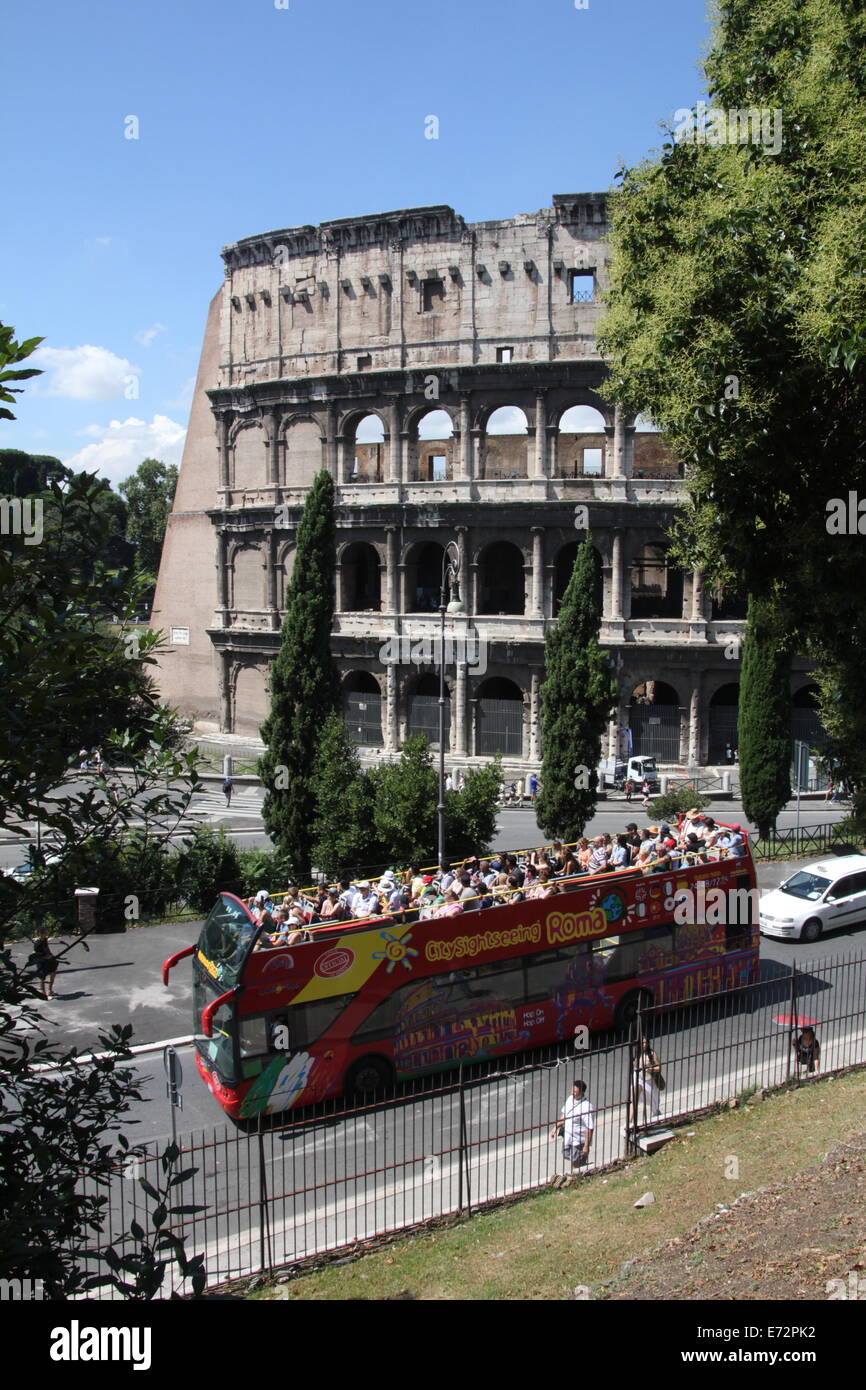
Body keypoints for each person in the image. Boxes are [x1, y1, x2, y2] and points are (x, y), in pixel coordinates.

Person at [550, 1076, 594, 1169]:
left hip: (578, 1141)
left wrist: (586, 1146)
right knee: (567, 1155)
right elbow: (564, 1114)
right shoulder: (570, 1099)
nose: (572, 1093)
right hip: (568, 1137)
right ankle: (581, 1166)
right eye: (572, 1091)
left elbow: (590, 1128)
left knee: (576, 1164)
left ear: (581, 1092)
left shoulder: (586, 1107)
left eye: (575, 1092)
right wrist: (556, 1127)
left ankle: (578, 1173)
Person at [633, 1037, 663, 1121]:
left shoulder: (652, 1054)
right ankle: (639, 1121)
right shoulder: (637, 1054)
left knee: (653, 1099)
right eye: (642, 1043)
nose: (644, 1045)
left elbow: (659, 1068)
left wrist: (650, 1069)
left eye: (646, 1042)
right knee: (639, 1099)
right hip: (640, 1080)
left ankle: (656, 1114)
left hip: (650, 1080)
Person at [30, 931, 59, 1000]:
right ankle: (43, 995)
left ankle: (50, 991)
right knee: (42, 977)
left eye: (44, 933)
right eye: (42, 933)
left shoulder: (45, 940)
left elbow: (47, 949)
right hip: (41, 962)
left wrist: (51, 955)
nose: (44, 934)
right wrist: (45, 957)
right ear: (39, 934)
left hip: (49, 960)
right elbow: (35, 954)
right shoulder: (37, 943)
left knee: (53, 973)